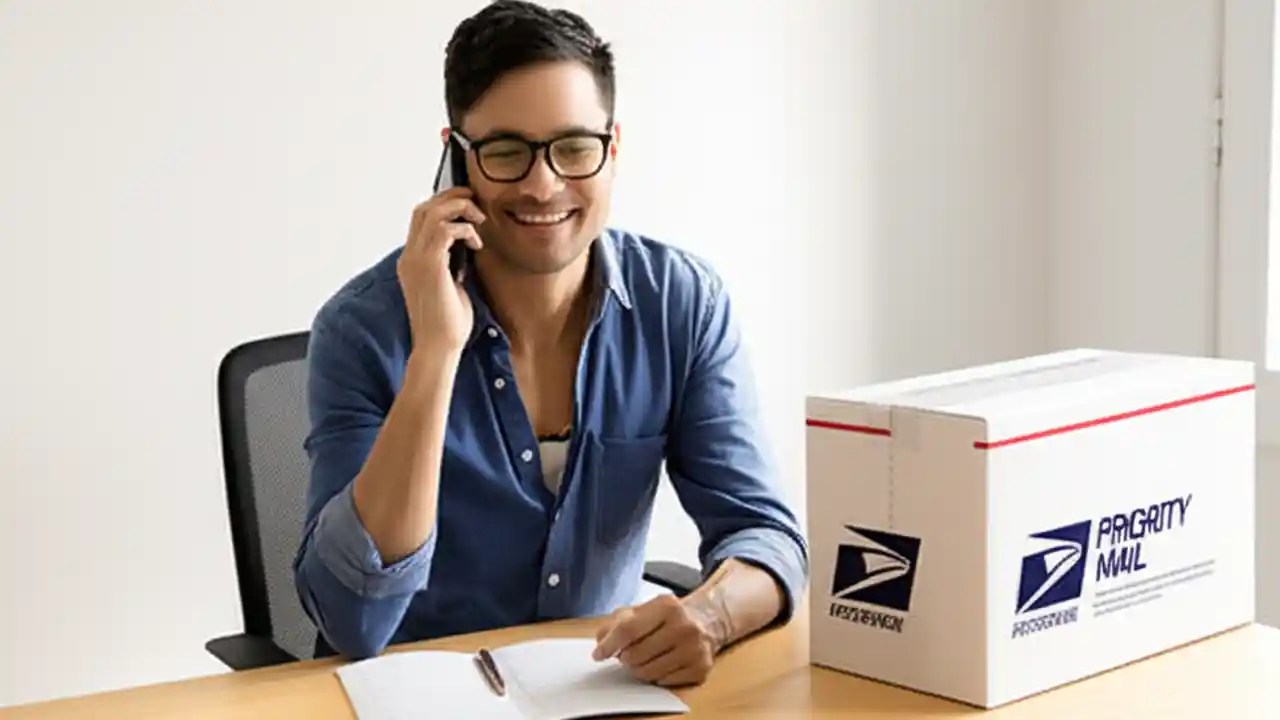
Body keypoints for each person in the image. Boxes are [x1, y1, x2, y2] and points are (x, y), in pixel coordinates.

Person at [293, 0, 808, 687]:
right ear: (457, 159)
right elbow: (353, 622)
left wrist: (710, 616)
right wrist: (437, 353)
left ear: (613, 149)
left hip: (596, 690)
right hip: (417, 698)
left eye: (573, 147)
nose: (543, 184)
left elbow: (767, 538)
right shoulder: (361, 331)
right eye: (507, 151)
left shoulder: (681, 305)